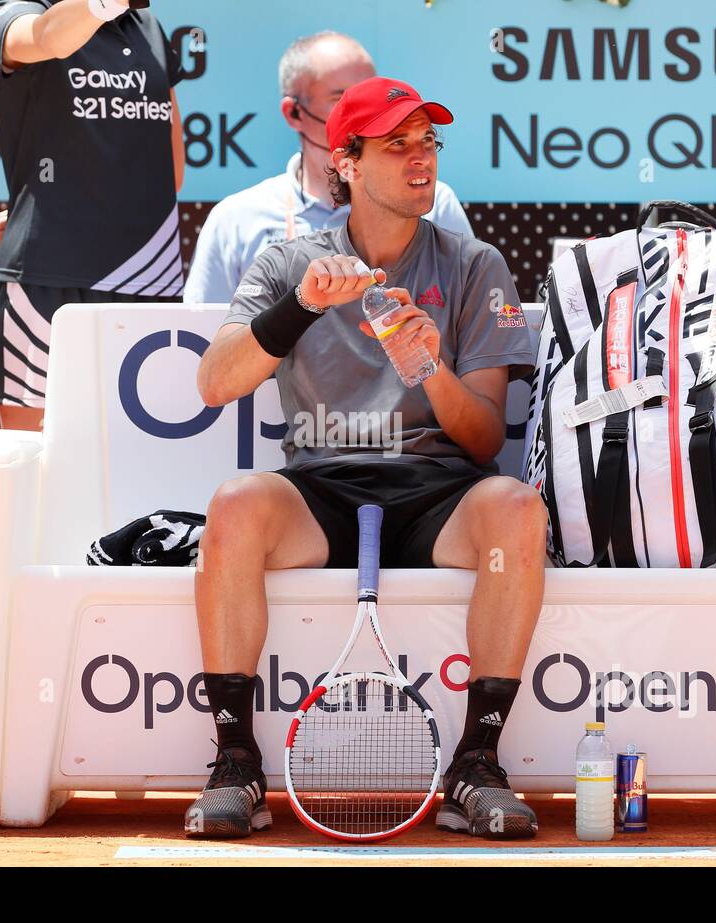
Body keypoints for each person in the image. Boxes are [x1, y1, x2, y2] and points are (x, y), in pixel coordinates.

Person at [185, 77, 547, 840]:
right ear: (345, 164)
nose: (422, 161)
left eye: (428, 143)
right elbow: (215, 383)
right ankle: (236, 765)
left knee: (516, 508)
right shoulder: (289, 264)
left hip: (438, 494)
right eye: (397, 145)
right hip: (320, 490)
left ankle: (475, 764)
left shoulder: (474, 263)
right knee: (235, 505)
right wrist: (305, 305)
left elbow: (484, 439)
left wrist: (430, 372)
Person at [0, 0, 185, 430]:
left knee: (148, 455)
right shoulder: (19, 12)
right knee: (37, 464)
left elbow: (172, 170)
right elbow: (47, 37)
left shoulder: (146, 25)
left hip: (150, 276)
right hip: (48, 280)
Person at [182, 31, 472, 304]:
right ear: (293, 113)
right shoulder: (235, 219)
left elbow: (471, 327)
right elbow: (205, 339)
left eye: (369, 94)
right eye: (340, 98)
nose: (361, 110)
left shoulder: (436, 203)